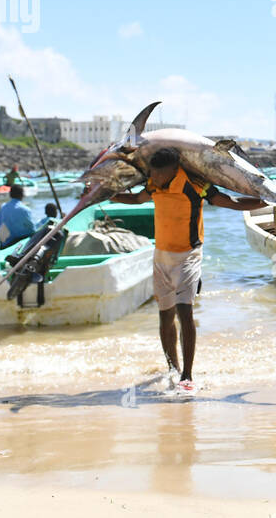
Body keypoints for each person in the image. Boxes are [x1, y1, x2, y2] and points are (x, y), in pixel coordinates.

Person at [114, 147, 266, 389]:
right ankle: (171, 368)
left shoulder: (195, 184)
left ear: (174, 169)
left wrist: (266, 201)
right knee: (165, 316)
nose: (155, 179)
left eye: (160, 174)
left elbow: (230, 202)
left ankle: (187, 374)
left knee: (185, 312)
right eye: (152, 174)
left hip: (189, 255)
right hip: (161, 255)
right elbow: (135, 199)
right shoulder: (154, 184)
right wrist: (107, 196)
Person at [0, 184, 36, 249]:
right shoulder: (25, 210)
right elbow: (32, 230)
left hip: (4, 244)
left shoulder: (3, 208)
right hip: (18, 245)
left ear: (10, 194)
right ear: (22, 195)